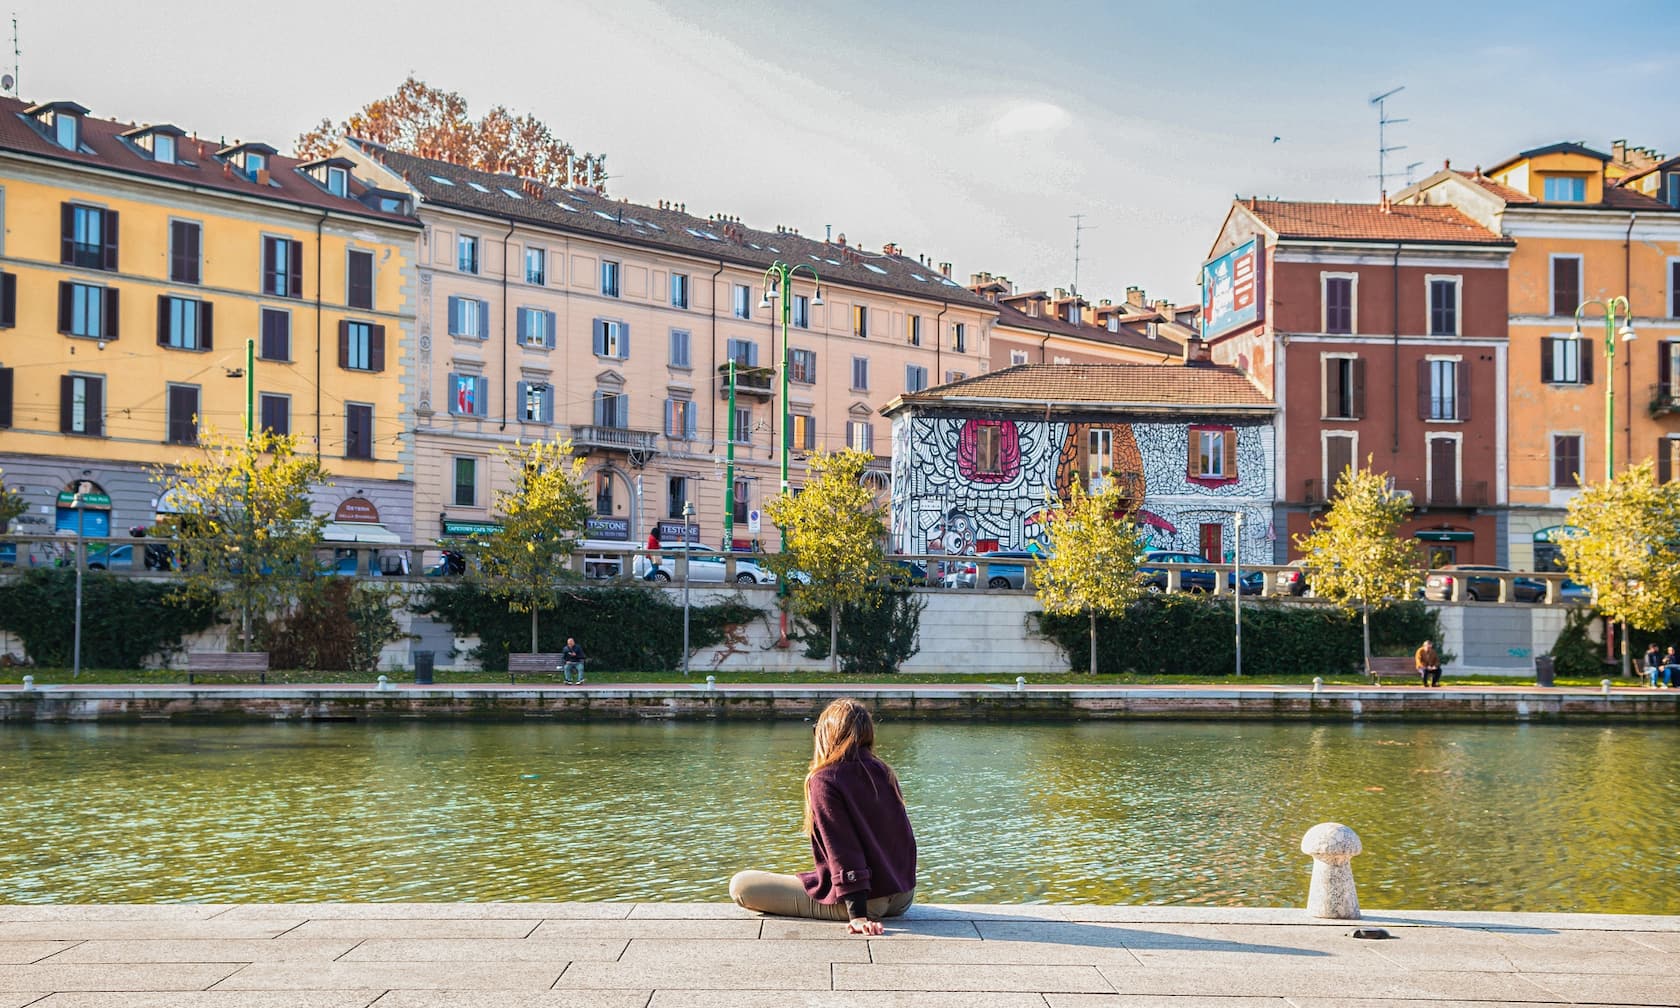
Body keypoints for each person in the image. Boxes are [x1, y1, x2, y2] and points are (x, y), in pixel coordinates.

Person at [729, 698, 917, 934]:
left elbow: (844, 849)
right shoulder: (883, 771)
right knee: (807, 877)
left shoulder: (825, 779)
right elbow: (905, 842)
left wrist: (857, 915)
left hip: (867, 903)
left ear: (827, 734)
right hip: (902, 897)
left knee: (742, 885)